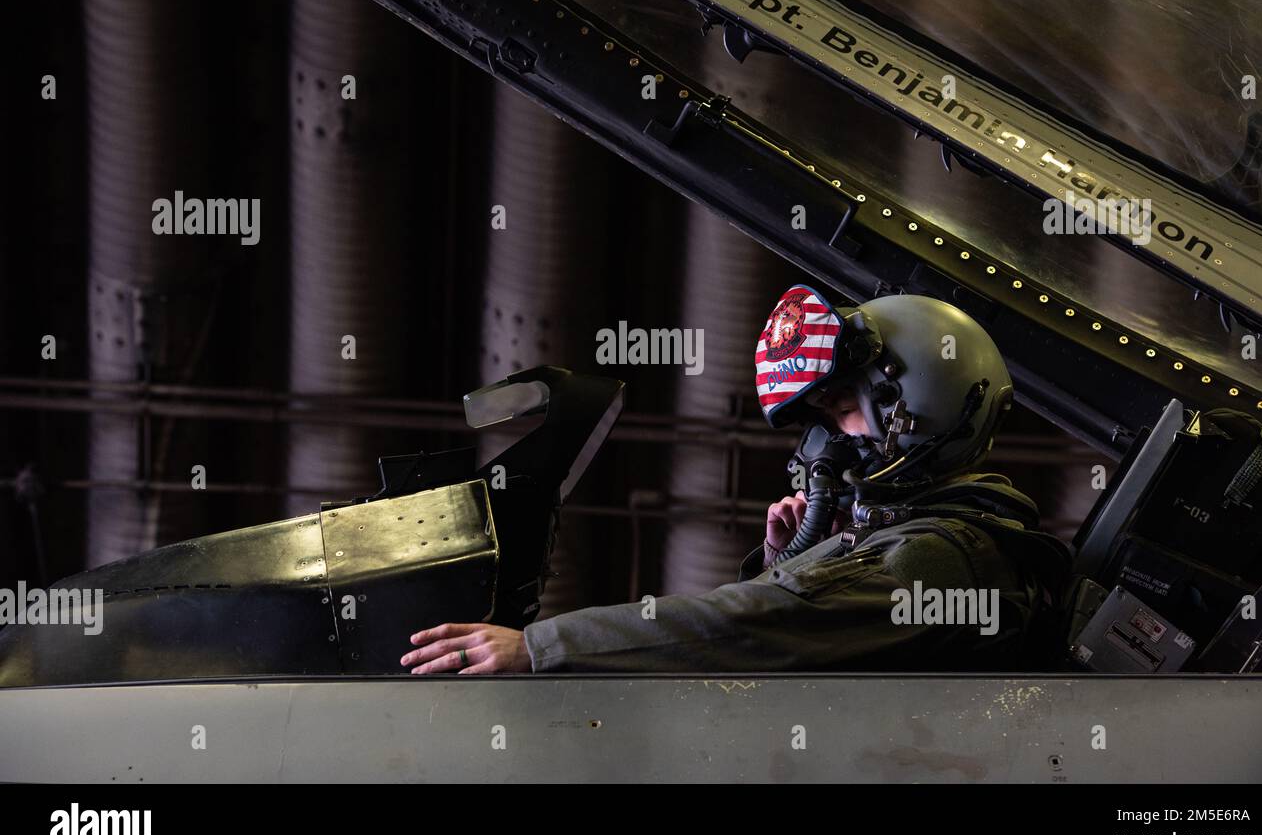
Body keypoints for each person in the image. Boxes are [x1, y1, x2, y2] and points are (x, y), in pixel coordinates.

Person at [400, 285, 1072, 675]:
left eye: (839, 408)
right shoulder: (944, 538)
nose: (825, 444)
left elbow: (763, 624)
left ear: (923, 407)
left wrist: (541, 648)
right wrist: (796, 556)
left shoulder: (941, 556)